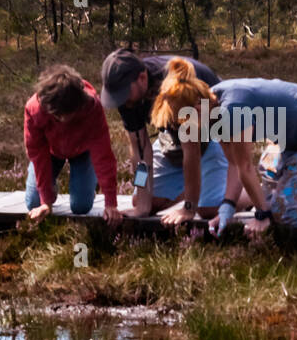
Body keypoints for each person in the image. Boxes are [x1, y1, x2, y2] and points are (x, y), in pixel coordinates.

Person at [150, 58, 297, 235]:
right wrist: (227, 206)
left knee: (284, 214)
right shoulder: (212, 107)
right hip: (287, 135)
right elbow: (232, 164)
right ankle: (285, 200)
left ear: (197, 107)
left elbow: (245, 167)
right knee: (268, 193)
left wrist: (262, 215)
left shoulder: (231, 109)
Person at [100, 48, 229, 224]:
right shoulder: (127, 96)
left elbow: (191, 150)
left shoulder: (176, 86)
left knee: (208, 210)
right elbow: (140, 151)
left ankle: (242, 189)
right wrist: (142, 206)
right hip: (172, 140)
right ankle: (197, 187)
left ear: (142, 78)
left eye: (123, 95)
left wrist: (189, 208)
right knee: (142, 200)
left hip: (216, 133)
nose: (121, 102)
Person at [23, 64, 122, 225]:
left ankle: (89, 183)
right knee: (34, 203)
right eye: (57, 116)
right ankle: (49, 189)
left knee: (81, 207)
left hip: (83, 152)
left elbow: (103, 155)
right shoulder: (34, 109)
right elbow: (38, 154)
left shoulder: (92, 107)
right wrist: (46, 203)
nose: (63, 120)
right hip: (50, 153)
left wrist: (111, 203)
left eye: (69, 115)